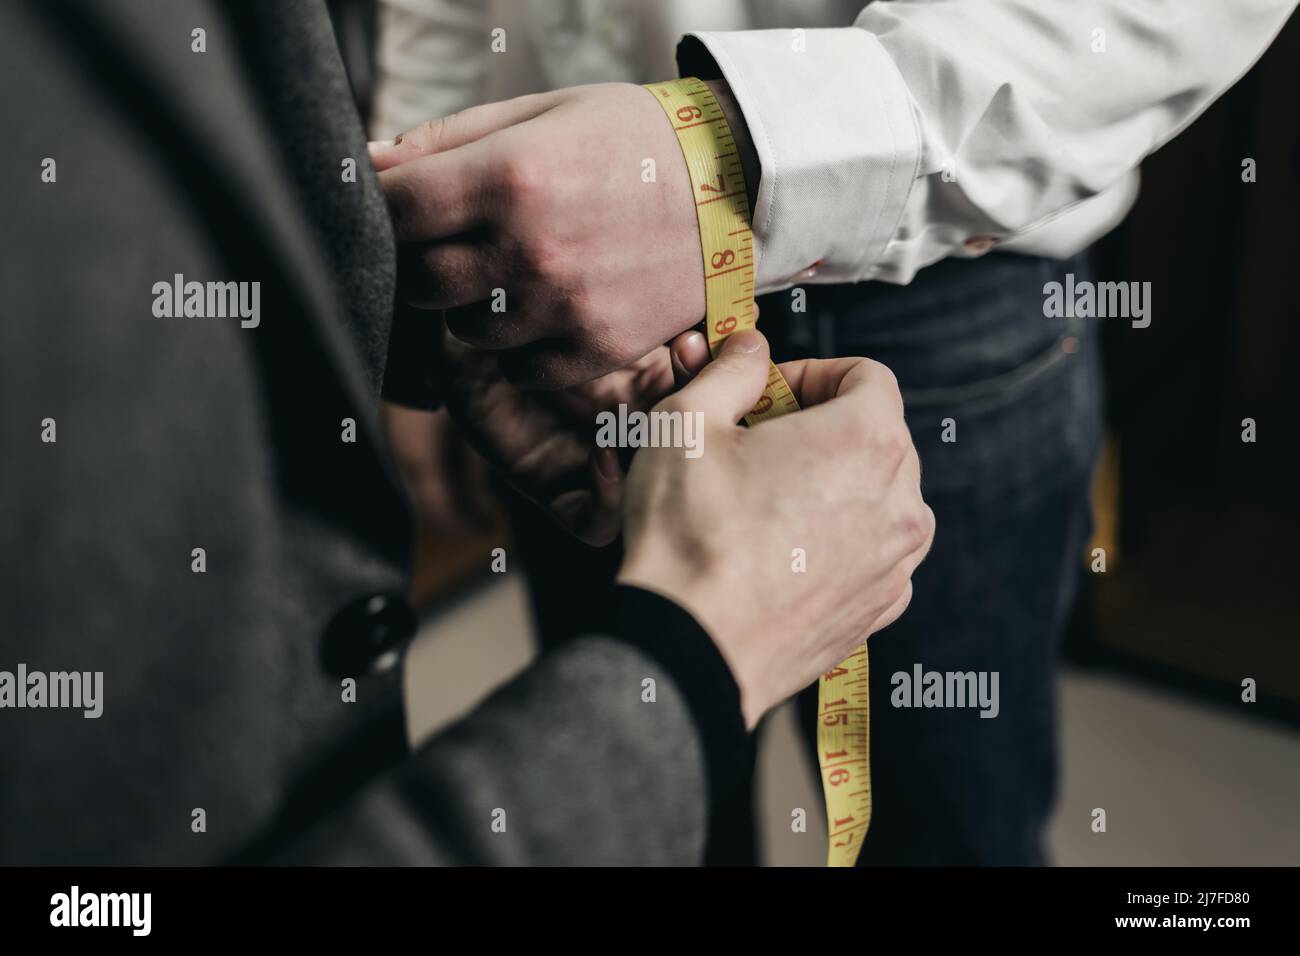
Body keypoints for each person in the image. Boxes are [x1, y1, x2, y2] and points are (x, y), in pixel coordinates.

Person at [0, 0, 931, 865]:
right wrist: (691, 660)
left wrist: (418, 332)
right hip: (556, 310)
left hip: (895, 273)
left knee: (940, 819)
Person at [369, 0, 1297, 864]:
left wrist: (738, 147)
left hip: (944, 269)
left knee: (946, 830)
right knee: (638, 798)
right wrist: (426, 298)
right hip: (558, 291)